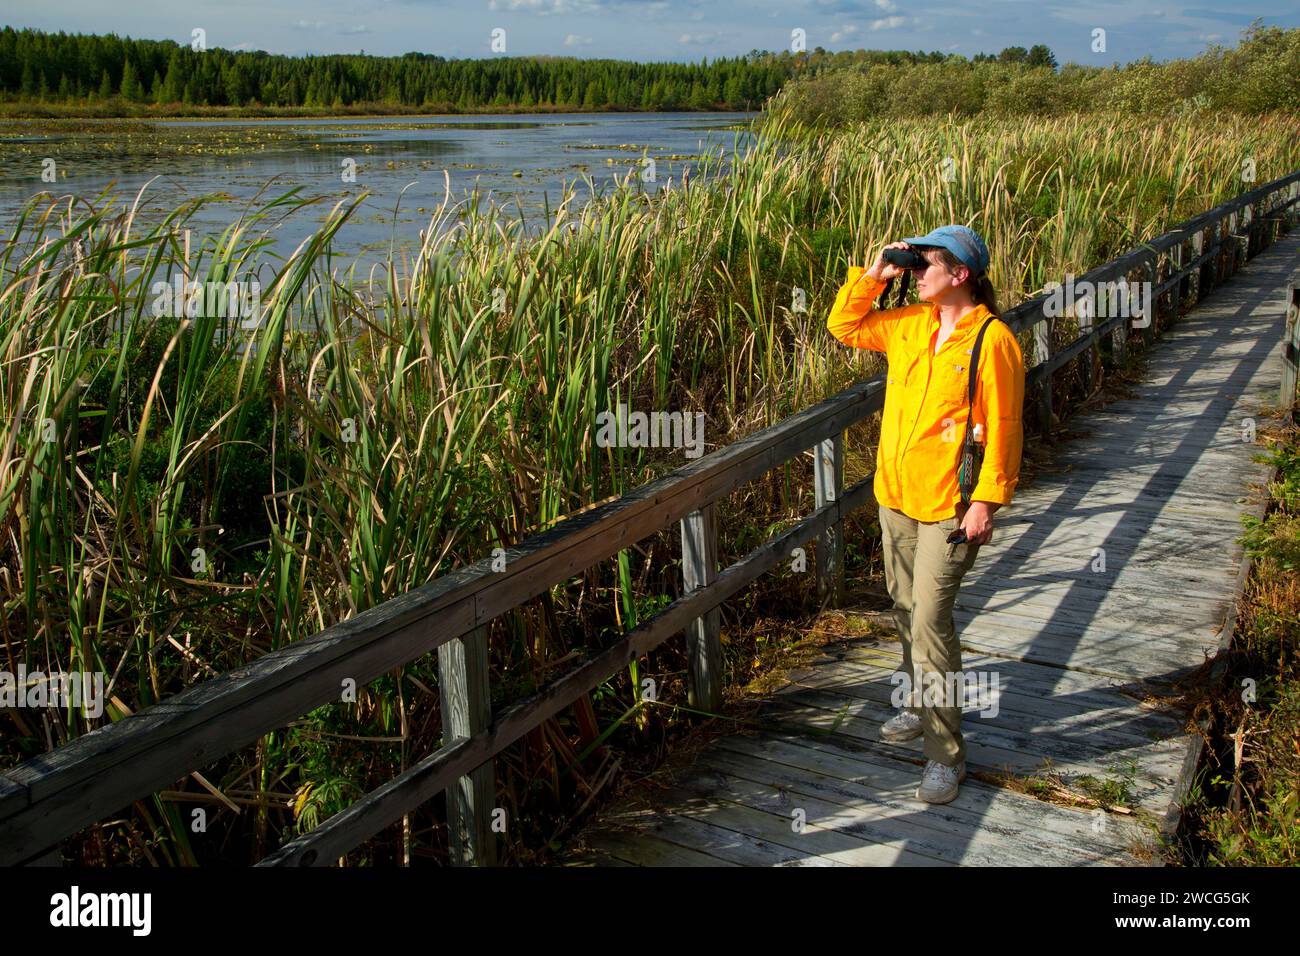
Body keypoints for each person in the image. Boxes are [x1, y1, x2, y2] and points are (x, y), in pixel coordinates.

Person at [825, 224, 1025, 805]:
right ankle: (917, 702)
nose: (915, 272)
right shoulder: (910, 325)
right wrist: (874, 276)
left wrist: (988, 499)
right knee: (905, 606)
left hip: (951, 506)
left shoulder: (993, 342)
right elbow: (844, 325)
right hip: (896, 493)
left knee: (931, 624)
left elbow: (1006, 430)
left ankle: (945, 757)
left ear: (960, 274)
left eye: (924, 263)